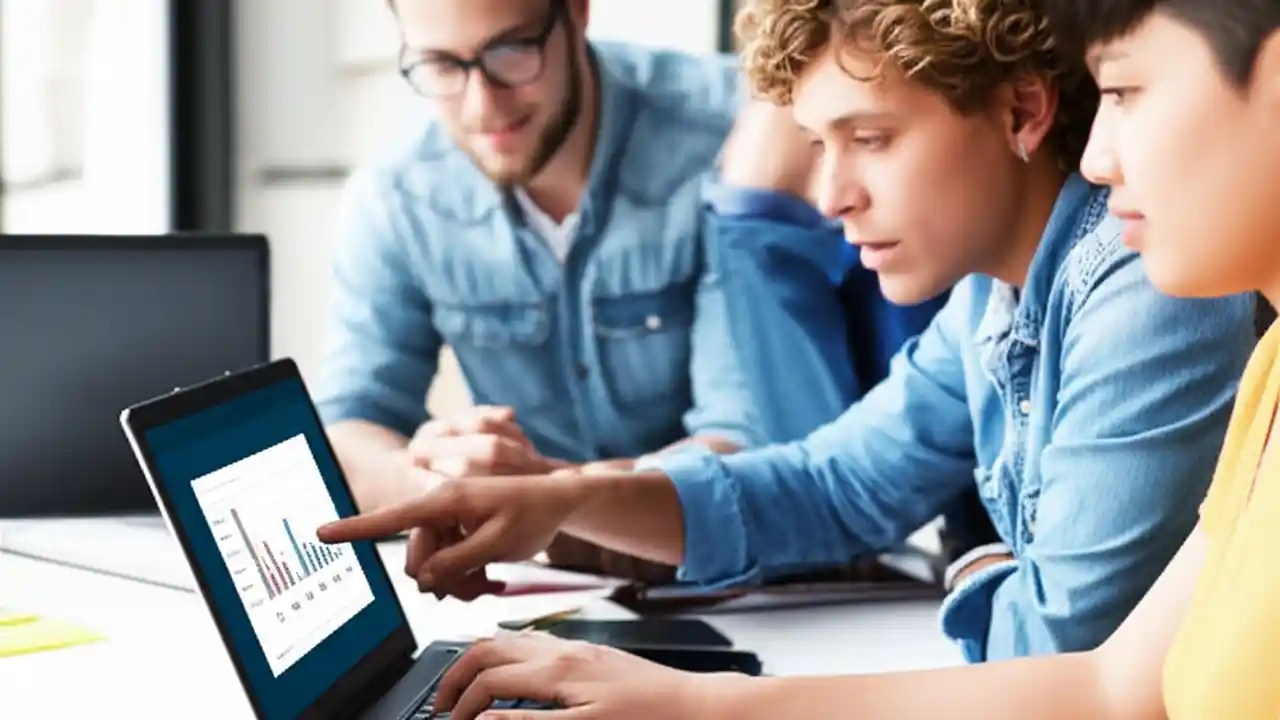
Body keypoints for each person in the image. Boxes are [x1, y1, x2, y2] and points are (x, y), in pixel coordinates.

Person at [316, 0, 1280, 716]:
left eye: (871, 140)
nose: (831, 197)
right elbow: (833, 486)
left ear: (1024, 112)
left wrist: (967, 561)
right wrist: (564, 498)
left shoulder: (1141, 277)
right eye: (820, 145)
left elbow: (1061, 656)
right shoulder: (995, 293)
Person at [316, 0, 762, 577]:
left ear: (577, 13)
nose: (483, 106)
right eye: (441, 65)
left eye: (511, 51)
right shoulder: (398, 193)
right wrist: (431, 479)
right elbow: (352, 420)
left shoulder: (736, 134)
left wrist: (548, 500)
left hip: (747, 572)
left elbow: (749, 438)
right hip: (555, 583)